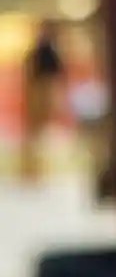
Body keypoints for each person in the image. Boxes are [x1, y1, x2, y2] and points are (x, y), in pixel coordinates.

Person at [20, 20, 66, 184]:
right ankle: (31, 171)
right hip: (40, 91)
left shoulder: (47, 52)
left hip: (43, 91)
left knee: (39, 134)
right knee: (34, 134)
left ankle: (36, 170)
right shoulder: (40, 52)